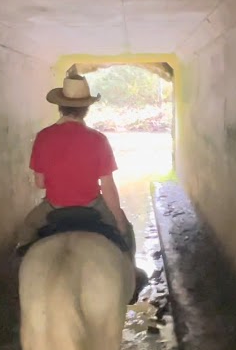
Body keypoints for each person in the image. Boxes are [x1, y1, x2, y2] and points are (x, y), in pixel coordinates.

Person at [15, 74, 149, 302]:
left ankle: (21, 289)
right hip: (92, 206)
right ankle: (132, 280)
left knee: (25, 236)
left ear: (60, 106)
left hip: (53, 206)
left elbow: (39, 183)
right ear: (86, 108)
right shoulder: (98, 139)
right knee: (126, 233)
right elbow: (107, 186)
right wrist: (117, 218)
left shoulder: (43, 137)